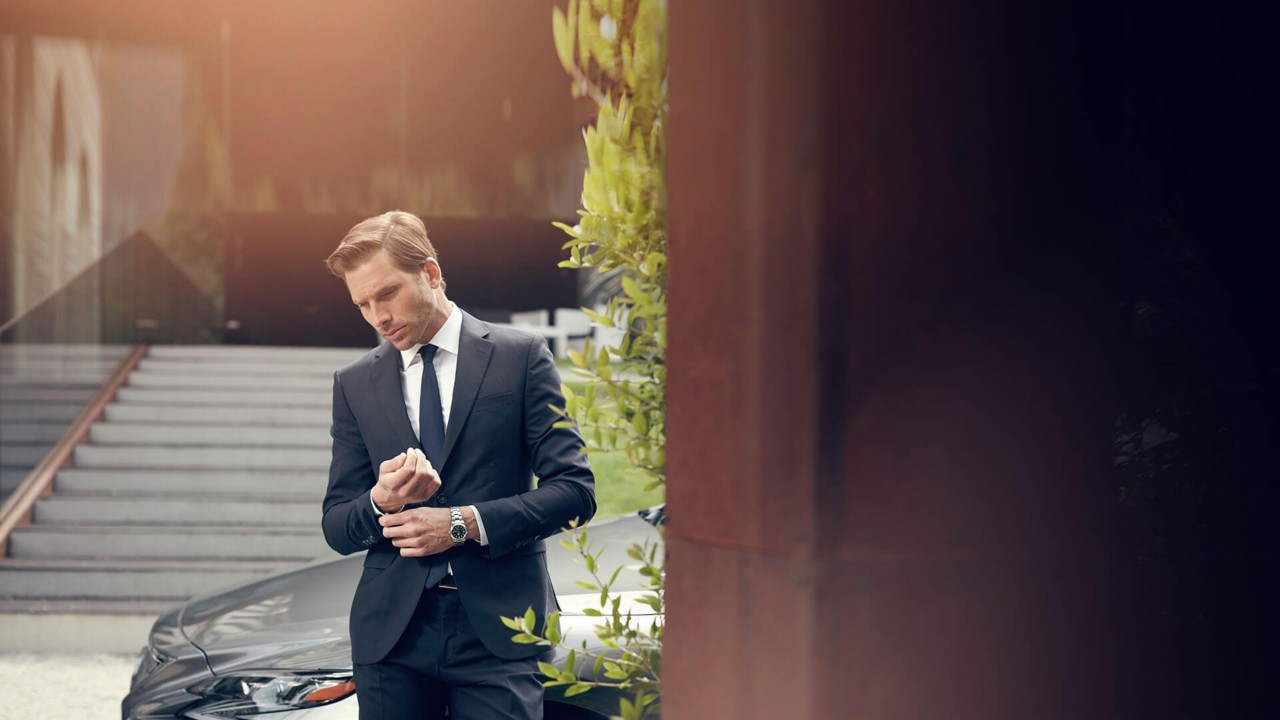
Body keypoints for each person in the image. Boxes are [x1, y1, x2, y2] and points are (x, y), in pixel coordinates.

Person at [320, 210, 596, 719]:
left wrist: (461, 523)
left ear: (430, 274)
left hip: (503, 632)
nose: (377, 317)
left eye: (386, 294)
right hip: (391, 638)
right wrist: (381, 500)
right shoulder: (354, 384)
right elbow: (337, 526)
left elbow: (575, 492)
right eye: (362, 304)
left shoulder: (521, 356)